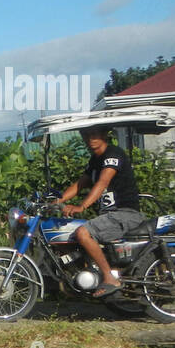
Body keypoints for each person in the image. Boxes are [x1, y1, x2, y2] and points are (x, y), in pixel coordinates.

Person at [59, 126, 149, 298]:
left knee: (83, 233)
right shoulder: (95, 160)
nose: (90, 138)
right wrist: (58, 200)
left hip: (125, 213)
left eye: (94, 134)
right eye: (86, 134)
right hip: (110, 215)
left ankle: (109, 278)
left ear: (104, 135)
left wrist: (81, 206)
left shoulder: (113, 154)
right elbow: (81, 184)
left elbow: (102, 182)